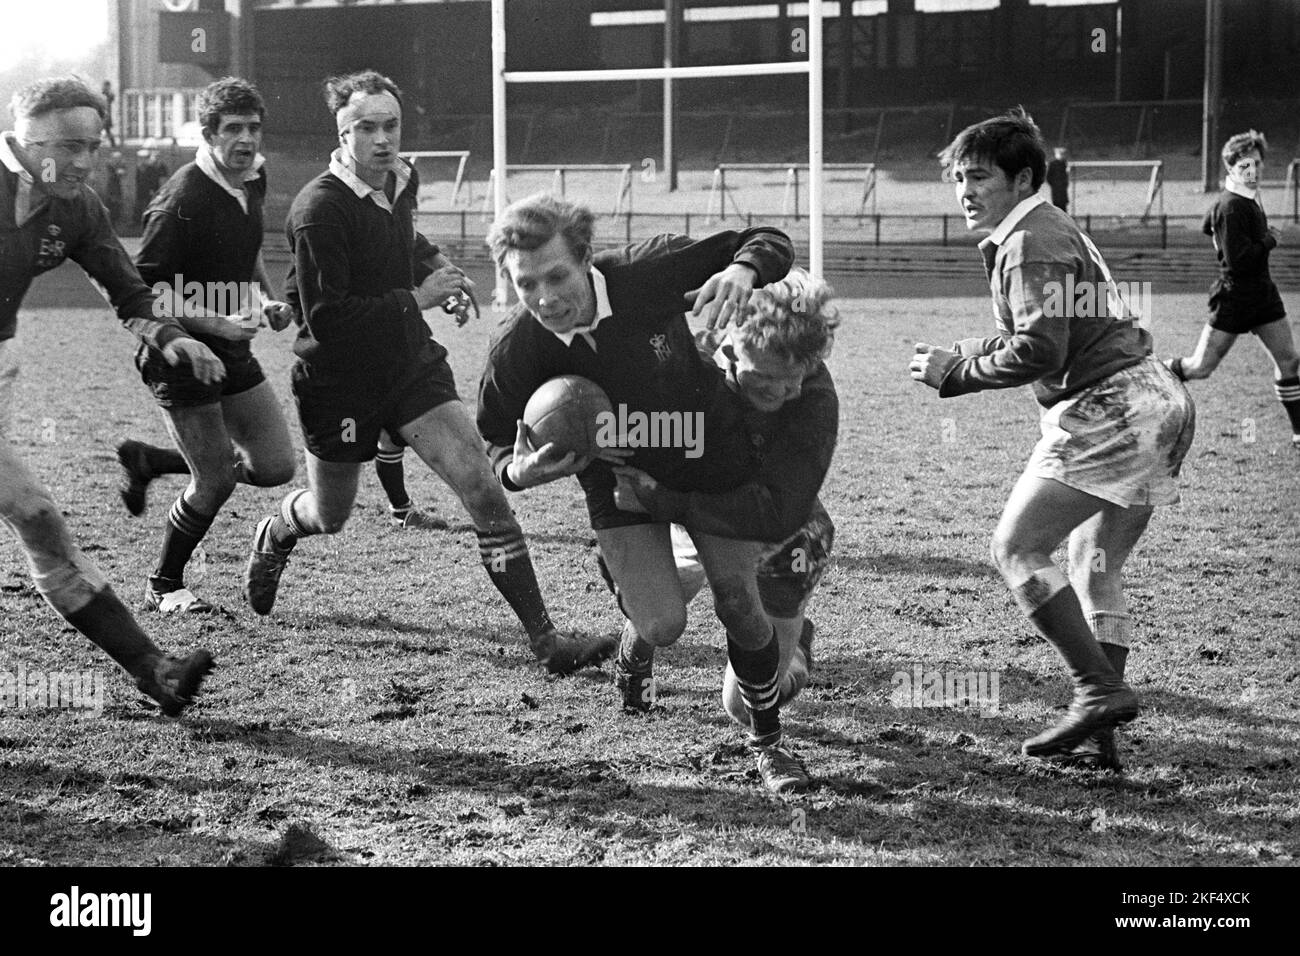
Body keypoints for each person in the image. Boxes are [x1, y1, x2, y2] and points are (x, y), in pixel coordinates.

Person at [242, 70, 611, 675]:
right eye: (367, 127)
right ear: (343, 132)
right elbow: (326, 319)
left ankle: (548, 643)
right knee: (329, 516)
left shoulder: (401, 178)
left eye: (391, 125)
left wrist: (443, 270)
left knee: (485, 492)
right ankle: (278, 531)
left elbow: (403, 239)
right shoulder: (317, 210)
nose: (383, 139)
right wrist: (421, 297)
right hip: (338, 379)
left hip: (410, 365)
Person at [478, 194, 817, 792]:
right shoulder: (518, 348)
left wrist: (741, 270)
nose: (545, 298)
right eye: (525, 283)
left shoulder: (645, 274)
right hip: (620, 483)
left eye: (557, 276)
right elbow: (494, 442)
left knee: (739, 602)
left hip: (708, 458)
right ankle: (639, 646)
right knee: (663, 624)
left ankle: (769, 747)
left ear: (585, 259)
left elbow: (768, 241)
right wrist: (519, 473)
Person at [909, 108, 1196, 771]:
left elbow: (1041, 348)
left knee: (1016, 548)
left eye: (978, 176)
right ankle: (1101, 736)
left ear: (1024, 177)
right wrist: (969, 351)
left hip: (1112, 407)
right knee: (1096, 564)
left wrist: (958, 374)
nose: (965, 192)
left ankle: (1097, 690)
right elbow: (1052, 334)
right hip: (1159, 398)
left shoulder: (1029, 241)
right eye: (957, 178)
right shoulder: (1047, 227)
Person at [0, 77, 221, 715]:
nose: (85, 162)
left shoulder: (79, 208)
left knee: (39, 520)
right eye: (71, 146)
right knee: (37, 514)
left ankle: (156, 670)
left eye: (94, 146)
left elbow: (129, 293)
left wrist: (171, 337)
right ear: (27, 135)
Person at [604, 270, 838, 747]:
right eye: (764, 380)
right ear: (732, 347)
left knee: (742, 707)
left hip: (782, 533)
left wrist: (666, 501)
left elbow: (780, 511)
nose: (778, 394)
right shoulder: (688, 359)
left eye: (790, 382)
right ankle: (634, 655)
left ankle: (795, 651)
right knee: (660, 603)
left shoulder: (815, 398)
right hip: (695, 511)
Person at [114, 77, 297, 614]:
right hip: (177, 354)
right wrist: (216, 326)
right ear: (209, 133)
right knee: (215, 480)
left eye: (254, 128)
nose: (246, 139)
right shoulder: (181, 199)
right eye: (233, 129)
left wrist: (264, 300)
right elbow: (143, 295)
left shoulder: (252, 177)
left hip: (230, 343)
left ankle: (152, 461)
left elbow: (246, 249)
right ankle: (164, 584)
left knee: (275, 465)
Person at [1166, 130, 1299, 451]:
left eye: (1256, 164)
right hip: (1235, 297)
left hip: (1263, 296)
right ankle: (1156, 374)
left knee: (1290, 362)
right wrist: (1270, 239)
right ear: (1231, 169)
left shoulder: (1245, 200)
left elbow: (1208, 223)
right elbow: (1238, 261)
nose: (1252, 171)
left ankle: (1299, 434)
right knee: (1200, 368)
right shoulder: (1232, 206)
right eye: (1244, 166)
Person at [133, 141, 167, 224]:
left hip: (151, 189)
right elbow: (138, 179)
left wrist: (152, 189)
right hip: (142, 189)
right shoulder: (142, 166)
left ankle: (150, 220)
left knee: (150, 204)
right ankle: (138, 220)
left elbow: (155, 179)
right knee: (140, 204)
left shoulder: (153, 166)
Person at [102, 149, 125, 225]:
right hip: (111, 187)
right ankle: (109, 219)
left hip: (117, 187)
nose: (118, 160)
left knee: (117, 203)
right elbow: (115, 174)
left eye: (119, 158)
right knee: (110, 202)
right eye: (116, 158)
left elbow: (121, 174)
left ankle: (115, 218)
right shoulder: (109, 165)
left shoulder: (120, 165)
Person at [1046, 146, 1069, 212]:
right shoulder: (1056, 164)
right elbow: (1049, 177)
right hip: (1057, 191)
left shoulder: (1063, 163)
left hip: (1060, 191)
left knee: (1061, 207)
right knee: (1059, 207)